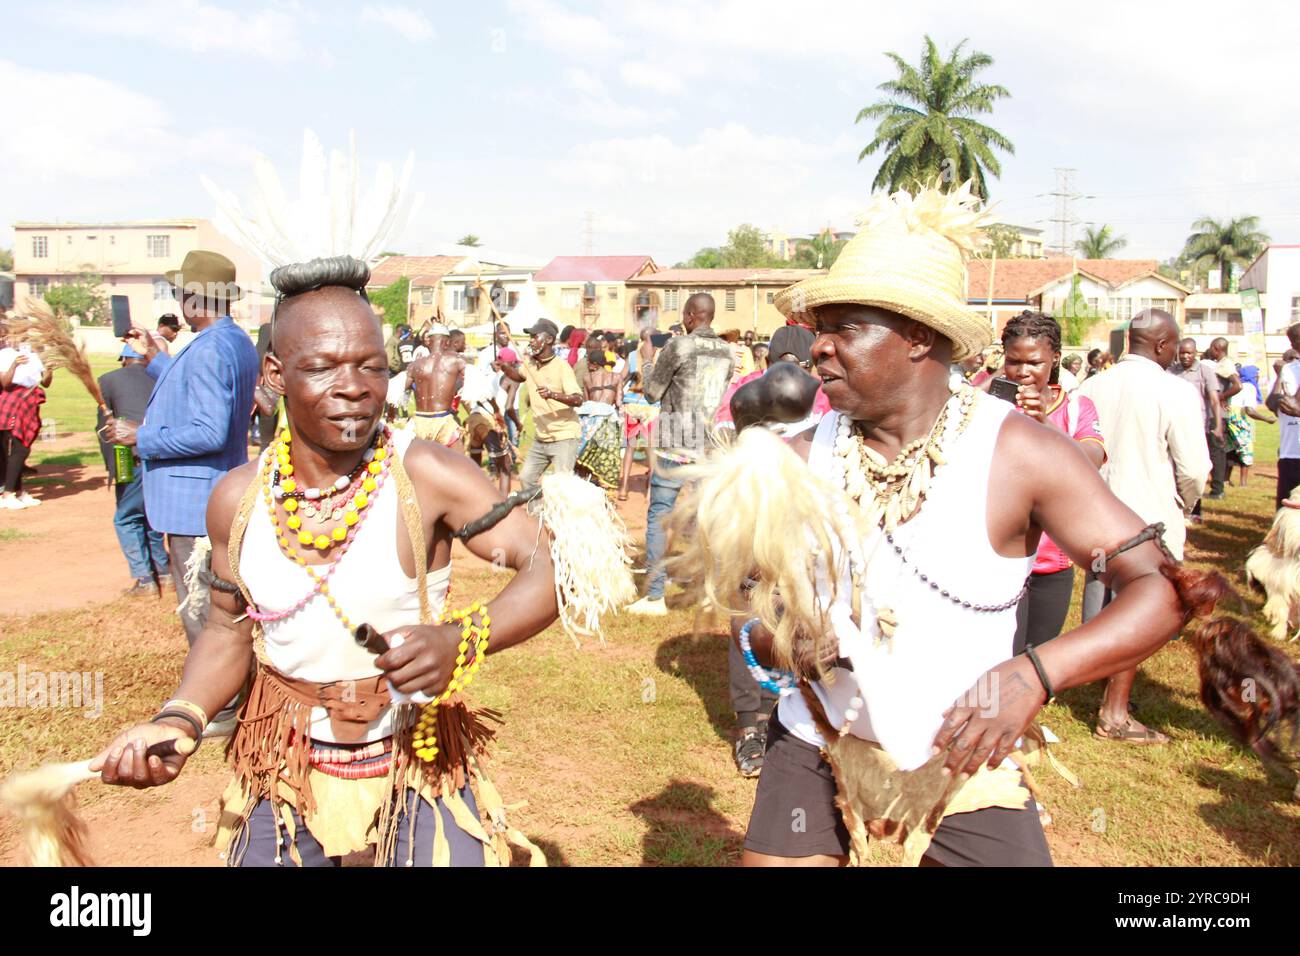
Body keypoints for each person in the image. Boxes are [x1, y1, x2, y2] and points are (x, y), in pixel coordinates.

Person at [671, 184, 1208, 867]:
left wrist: (1036, 675)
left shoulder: (1019, 454)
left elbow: (1163, 588)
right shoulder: (797, 457)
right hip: (818, 742)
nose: (821, 350)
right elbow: (748, 605)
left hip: (962, 763)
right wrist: (783, 635)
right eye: (820, 330)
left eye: (847, 329)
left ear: (919, 336)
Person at [89, 255, 572, 867]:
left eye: (371, 366)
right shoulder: (238, 497)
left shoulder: (425, 473)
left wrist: (463, 639)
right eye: (321, 367)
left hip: (414, 755)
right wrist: (179, 718)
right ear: (276, 372)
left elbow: (547, 566)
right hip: (283, 755)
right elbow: (224, 630)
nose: (353, 387)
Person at [113, 249, 260, 734]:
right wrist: (159, 362)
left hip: (192, 502)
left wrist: (141, 437)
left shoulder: (211, 347)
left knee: (203, 608)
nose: (176, 300)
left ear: (195, 297)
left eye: (180, 292)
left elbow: (208, 430)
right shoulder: (230, 340)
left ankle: (216, 705)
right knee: (222, 604)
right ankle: (233, 695)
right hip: (213, 493)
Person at [1076, 310, 1210, 745]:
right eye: (1174, 345)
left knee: (1101, 601)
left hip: (1093, 516)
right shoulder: (1174, 390)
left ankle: (1101, 683)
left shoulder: (1091, 386)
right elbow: (1194, 466)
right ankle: (1115, 713)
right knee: (1142, 610)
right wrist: (1186, 503)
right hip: (1150, 517)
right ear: (1160, 345)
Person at [996, 312, 1105, 658]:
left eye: (1034, 362)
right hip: (998, 558)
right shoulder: (985, 406)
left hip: (1050, 562)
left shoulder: (1075, 408)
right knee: (997, 660)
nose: (1023, 372)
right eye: (1013, 361)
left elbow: (1090, 461)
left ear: (1055, 359)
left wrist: (1044, 424)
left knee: (1036, 661)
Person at [626, 293, 734, 616]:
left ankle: (655, 596)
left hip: (676, 440)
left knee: (660, 514)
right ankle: (707, 591)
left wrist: (647, 359)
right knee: (707, 519)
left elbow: (652, 392)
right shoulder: (727, 352)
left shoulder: (679, 346)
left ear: (689, 315)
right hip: (709, 443)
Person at [97, 345, 172, 596]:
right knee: (152, 516)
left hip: (128, 457)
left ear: (126, 359)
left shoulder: (108, 380)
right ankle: (163, 571)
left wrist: (114, 470)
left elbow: (106, 432)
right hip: (162, 455)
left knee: (126, 518)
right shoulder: (163, 376)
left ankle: (144, 579)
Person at [500, 318, 583, 491]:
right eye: (530, 336)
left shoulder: (562, 367)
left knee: (563, 485)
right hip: (542, 437)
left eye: (534, 336)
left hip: (564, 437)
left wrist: (552, 395)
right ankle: (537, 514)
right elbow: (519, 376)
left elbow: (577, 399)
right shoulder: (530, 364)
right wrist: (504, 367)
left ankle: (563, 517)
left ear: (549, 340)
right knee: (526, 478)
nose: (531, 340)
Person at [715, 325, 831, 431]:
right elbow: (723, 431)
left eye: (798, 372)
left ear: (812, 368)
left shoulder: (826, 392)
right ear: (766, 362)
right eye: (780, 373)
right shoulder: (744, 389)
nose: (790, 382)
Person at [0, 334, 53, 510]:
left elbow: (45, 383)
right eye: (17, 336)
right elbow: (5, 383)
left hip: (30, 402)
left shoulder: (34, 355)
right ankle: (8, 494)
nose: (21, 340)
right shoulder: (5, 354)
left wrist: (49, 369)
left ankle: (18, 492)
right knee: (19, 448)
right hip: (13, 401)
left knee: (21, 449)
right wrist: (15, 364)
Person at [1171, 337, 1222, 516]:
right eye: (1182, 353)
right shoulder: (1171, 371)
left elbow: (1215, 401)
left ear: (1195, 353)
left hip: (1198, 427)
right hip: (1175, 427)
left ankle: (1195, 510)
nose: (1185, 356)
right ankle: (1175, 508)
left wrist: (1218, 426)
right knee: (1174, 468)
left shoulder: (1205, 371)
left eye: (1189, 353)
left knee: (1195, 470)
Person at [405, 326, 466, 449]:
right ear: (447, 342)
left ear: (429, 341)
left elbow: (399, 391)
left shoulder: (415, 365)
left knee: (418, 466)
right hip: (443, 421)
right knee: (458, 464)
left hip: (419, 422)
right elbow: (475, 385)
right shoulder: (456, 361)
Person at [574, 347, 623, 492]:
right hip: (607, 421)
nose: (588, 366)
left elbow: (587, 402)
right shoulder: (617, 377)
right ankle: (604, 492)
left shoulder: (587, 378)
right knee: (606, 457)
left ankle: (582, 488)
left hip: (589, 421)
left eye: (588, 363)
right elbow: (619, 402)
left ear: (594, 364)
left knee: (583, 457)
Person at [1266, 324, 1300, 507]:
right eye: (1296, 340)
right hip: (1290, 449)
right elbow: (1271, 404)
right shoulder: (1288, 370)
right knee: (1286, 505)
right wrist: (1280, 376)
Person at [1225, 364, 1274, 487]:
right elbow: (1249, 410)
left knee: (1230, 450)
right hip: (1238, 420)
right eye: (1256, 376)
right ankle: (1243, 483)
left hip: (1228, 419)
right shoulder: (1249, 387)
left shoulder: (1234, 385)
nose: (1257, 378)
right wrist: (1266, 419)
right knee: (1246, 451)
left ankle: (1225, 480)